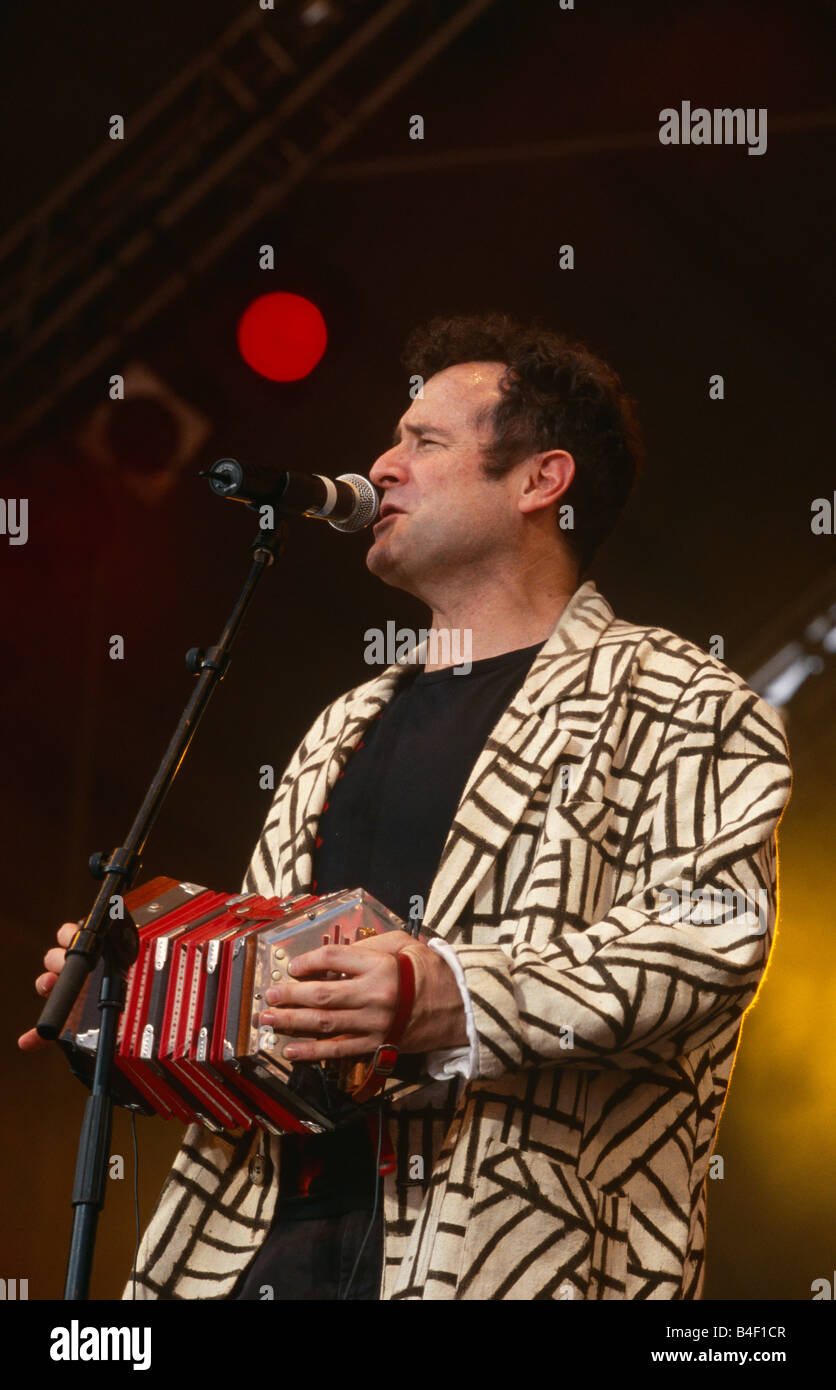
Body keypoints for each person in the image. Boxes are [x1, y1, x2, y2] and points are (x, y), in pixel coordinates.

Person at [22, 312, 792, 1300]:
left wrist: (451, 995)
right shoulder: (340, 723)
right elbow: (283, 1007)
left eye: (422, 441)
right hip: (255, 1244)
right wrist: (139, 1003)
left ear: (538, 480)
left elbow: (705, 937)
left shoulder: (686, 700)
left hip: (506, 1252)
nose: (380, 465)